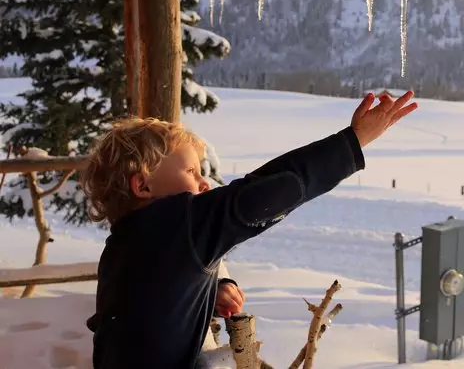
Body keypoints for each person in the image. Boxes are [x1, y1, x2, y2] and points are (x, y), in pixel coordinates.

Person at [81, 91, 418, 369]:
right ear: (143, 185)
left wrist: (213, 289)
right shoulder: (179, 222)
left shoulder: (125, 244)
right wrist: (353, 142)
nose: (203, 182)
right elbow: (261, 195)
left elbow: (161, 296)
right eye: (191, 171)